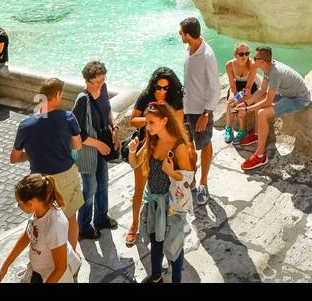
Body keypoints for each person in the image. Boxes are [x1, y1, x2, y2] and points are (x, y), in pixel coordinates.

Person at [10, 77, 84, 248]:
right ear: (57, 95)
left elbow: (14, 158)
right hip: (66, 175)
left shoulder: (25, 125)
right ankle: (70, 259)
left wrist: (35, 153)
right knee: (71, 218)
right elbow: (78, 146)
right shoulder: (68, 117)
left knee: (43, 221)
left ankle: (45, 255)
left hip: (39, 182)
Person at [127, 102, 196, 283]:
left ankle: (176, 280)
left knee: (174, 245)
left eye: (151, 122)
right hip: (154, 203)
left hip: (172, 206)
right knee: (155, 242)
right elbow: (135, 163)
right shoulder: (152, 140)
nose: (147, 127)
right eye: (147, 123)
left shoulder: (178, 146)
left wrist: (171, 172)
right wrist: (132, 151)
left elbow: (188, 179)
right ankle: (157, 278)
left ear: (165, 120)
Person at [125, 67, 185, 245]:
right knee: (139, 189)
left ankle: (169, 225)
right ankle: (134, 225)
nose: (161, 91)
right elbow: (133, 120)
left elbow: (179, 123)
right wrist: (153, 120)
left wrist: (162, 121)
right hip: (146, 146)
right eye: (158, 87)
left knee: (170, 191)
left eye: (166, 88)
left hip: (168, 150)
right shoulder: (146, 96)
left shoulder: (176, 98)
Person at [235, 47, 311, 172]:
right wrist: (245, 104)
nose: (252, 60)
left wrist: (247, 109)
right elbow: (262, 91)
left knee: (262, 113)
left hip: (298, 99)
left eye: (255, 58)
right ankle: (257, 135)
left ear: (262, 61)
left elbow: (268, 102)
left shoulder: (275, 73)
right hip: (287, 94)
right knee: (259, 102)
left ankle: (260, 156)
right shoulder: (267, 68)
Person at [0, 173, 81, 283]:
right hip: (39, 271)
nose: (18, 206)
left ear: (31, 203)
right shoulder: (39, 211)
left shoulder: (55, 226)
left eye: (19, 203)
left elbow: (60, 268)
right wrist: (5, 266)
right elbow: (28, 234)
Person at [72, 60, 119, 241]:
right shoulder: (81, 100)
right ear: (88, 81)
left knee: (103, 184)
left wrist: (114, 127)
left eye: (103, 80)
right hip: (88, 150)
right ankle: (83, 227)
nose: (101, 84)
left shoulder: (103, 88)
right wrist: (98, 144)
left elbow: (107, 110)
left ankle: (101, 218)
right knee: (90, 188)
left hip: (101, 145)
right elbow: (76, 133)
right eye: (97, 82)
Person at [178, 17, 221, 204]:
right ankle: (192, 180)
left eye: (181, 33)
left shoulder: (207, 56)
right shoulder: (187, 49)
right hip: (186, 108)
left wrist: (206, 113)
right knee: (187, 147)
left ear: (188, 35)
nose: (179, 35)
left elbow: (215, 88)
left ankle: (203, 183)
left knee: (204, 144)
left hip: (201, 111)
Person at [223, 43, 257, 143]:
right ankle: (228, 128)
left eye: (247, 53)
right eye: (241, 54)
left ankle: (242, 131)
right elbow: (233, 86)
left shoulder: (252, 65)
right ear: (235, 54)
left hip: (249, 89)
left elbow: (248, 89)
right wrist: (234, 96)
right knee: (230, 102)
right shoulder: (229, 65)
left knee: (238, 103)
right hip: (237, 87)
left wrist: (237, 99)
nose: (244, 56)